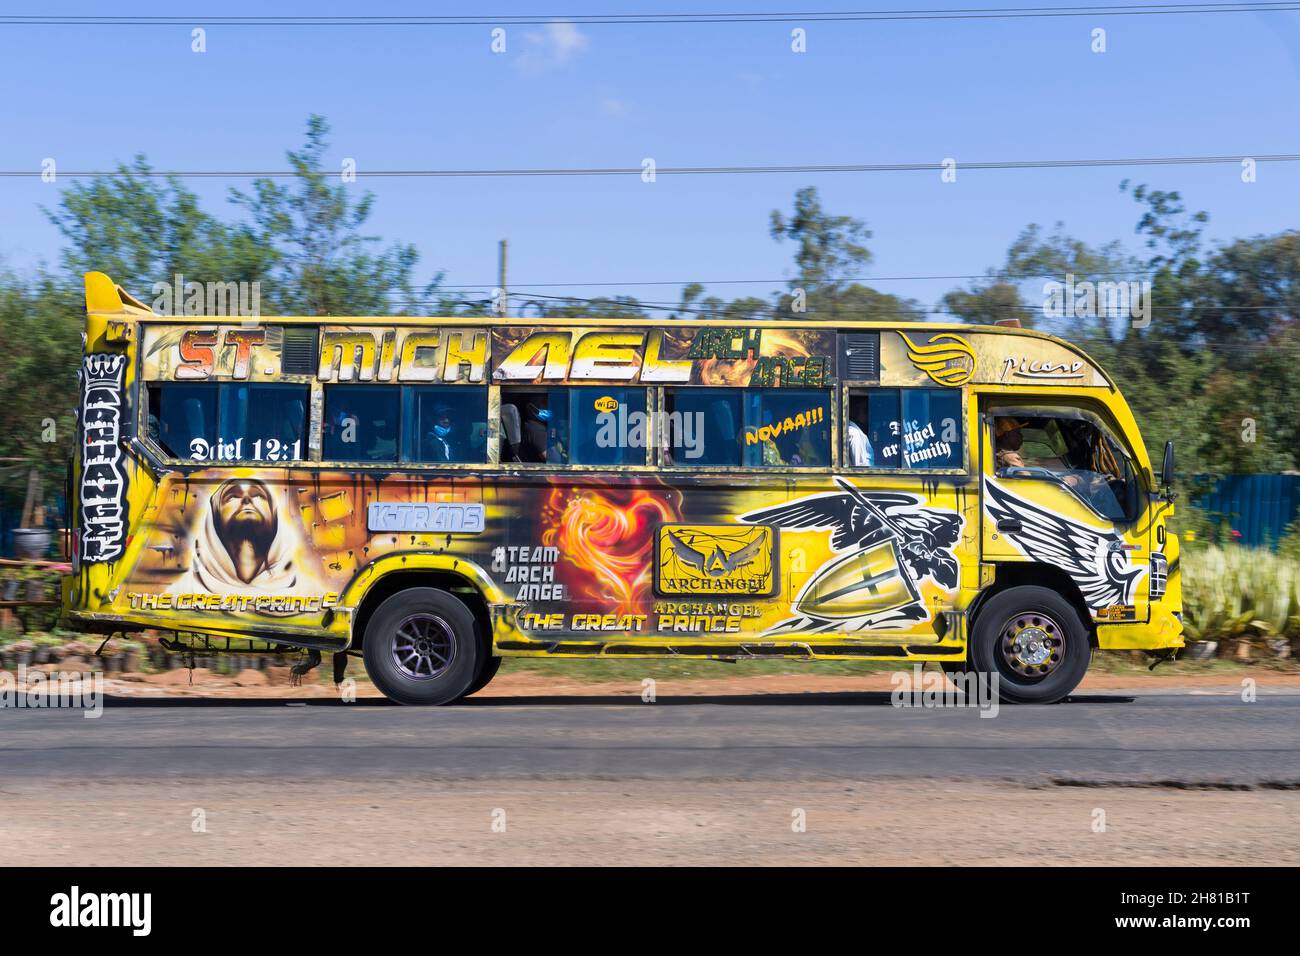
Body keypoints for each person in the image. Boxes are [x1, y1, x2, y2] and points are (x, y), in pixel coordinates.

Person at [846, 396, 875, 466]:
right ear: (854, 412)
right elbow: (859, 467)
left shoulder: (857, 432)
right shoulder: (854, 434)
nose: (869, 414)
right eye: (865, 411)